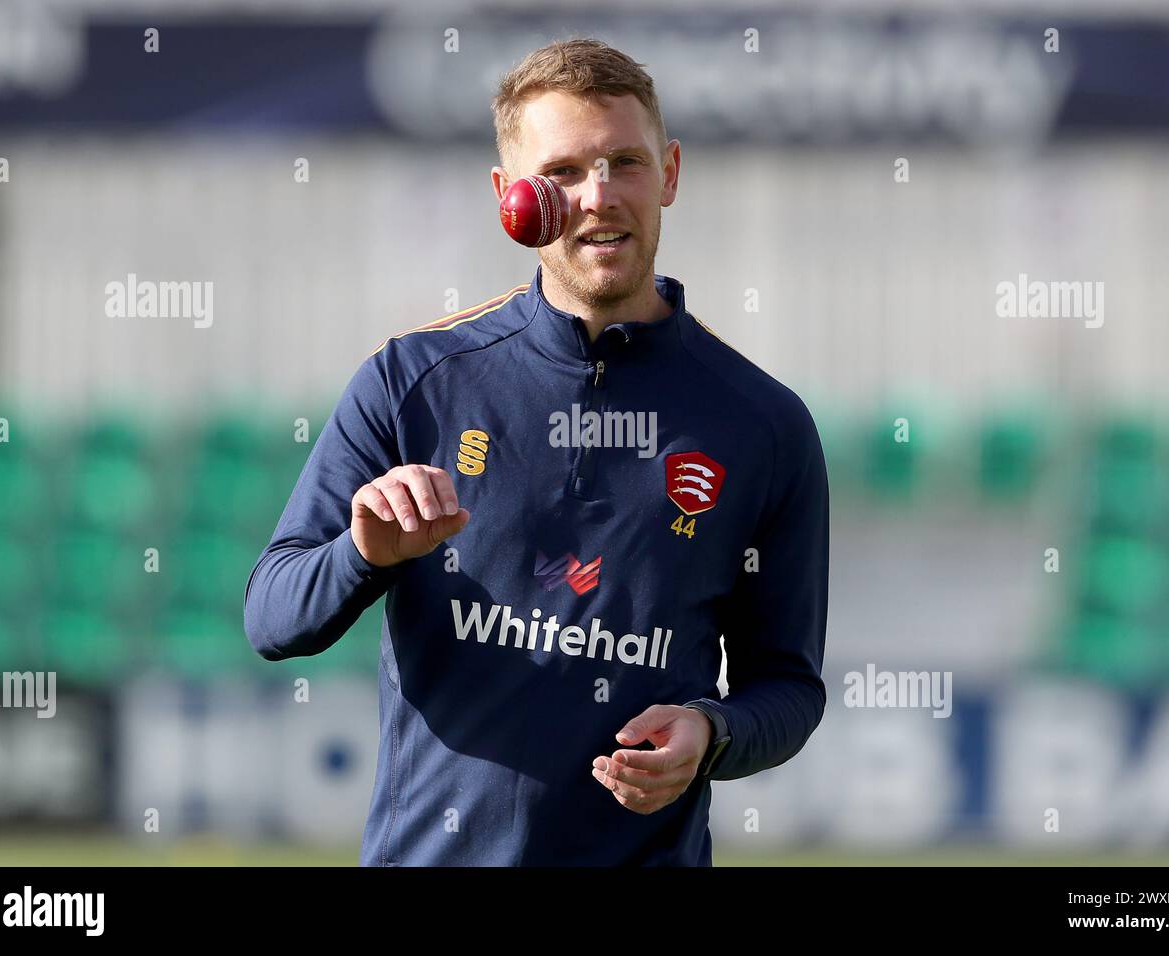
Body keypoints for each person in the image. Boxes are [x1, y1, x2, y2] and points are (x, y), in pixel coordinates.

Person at [244, 37, 829, 866]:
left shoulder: (764, 425)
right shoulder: (413, 381)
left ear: (669, 173)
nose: (598, 198)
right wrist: (363, 554)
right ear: (508, 195)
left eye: (624, 163)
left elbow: (790, 689)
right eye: (561, 173)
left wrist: (713, 730)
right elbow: (272, 616)